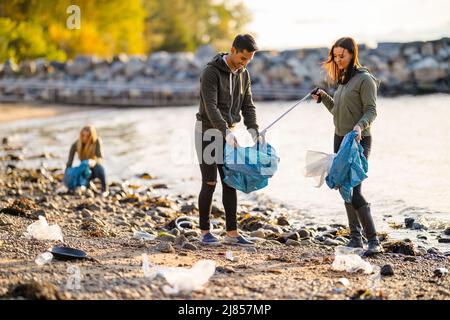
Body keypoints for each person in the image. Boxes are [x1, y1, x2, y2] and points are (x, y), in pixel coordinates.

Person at [312, 37, 383, 254]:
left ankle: (374, 241)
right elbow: (338, 111)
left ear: (353, 54)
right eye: (335, 56)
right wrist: (324, 97)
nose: (338, 59)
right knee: (344, 188)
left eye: (342, 55)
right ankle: (355, 239)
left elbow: (371, 110)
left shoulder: (365, 80)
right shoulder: (343, 79)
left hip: (358, 140)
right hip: (339, 138)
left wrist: (360, 127)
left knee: (355, 188)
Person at [195, 34, 260, 247]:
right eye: (242, 58)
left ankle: (232, 233)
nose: (244, 63)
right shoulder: (210, 72)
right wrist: (225, 132)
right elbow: (211, 106)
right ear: (232, 50)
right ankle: (204, 231)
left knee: (230, 181)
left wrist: (253, 130)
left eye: (248, 60)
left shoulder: (244, 74)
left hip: (228, 133)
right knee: (210, 182)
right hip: (207, 132)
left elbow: (248, 105)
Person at [66, 125, 108, 194]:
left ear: (92, 136)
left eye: (87, 136)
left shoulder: (96, 141)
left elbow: (100, 158)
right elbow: (69, 163)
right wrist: (66, 177)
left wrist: (94, 161)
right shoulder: (76, 144)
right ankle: (87, 185)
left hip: (93, 167)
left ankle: (105, 189)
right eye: (83, 135)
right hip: (84, 169)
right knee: (76, 175)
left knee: (101, 168)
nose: (85, 138)